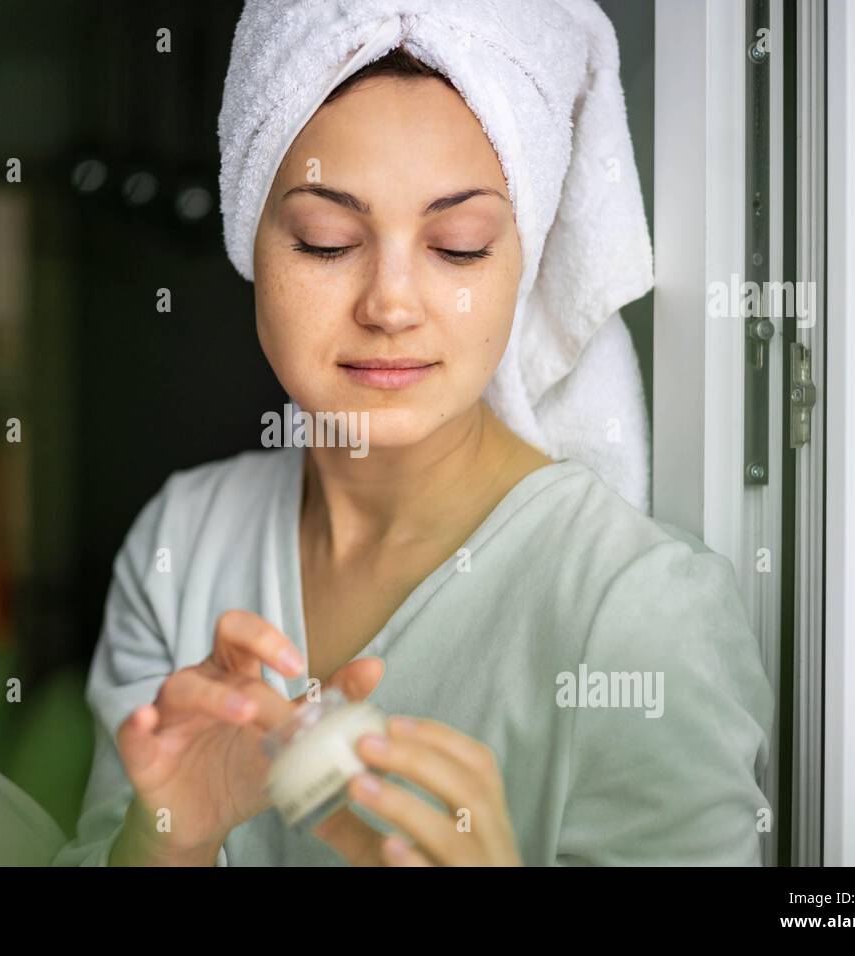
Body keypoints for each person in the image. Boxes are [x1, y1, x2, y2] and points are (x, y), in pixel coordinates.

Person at [53, 12, 773, 867]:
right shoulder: (180, 542)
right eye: (328, 241)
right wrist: (167, 838)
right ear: (250, 236)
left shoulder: (639, 616)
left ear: (524, 259)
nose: (391, 305)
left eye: (458, 247)